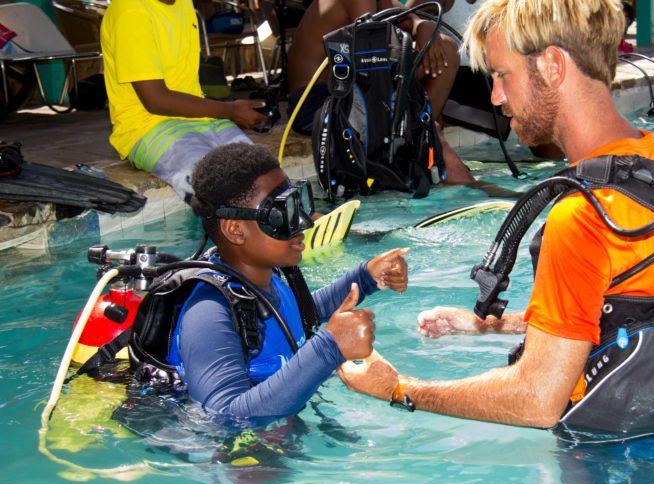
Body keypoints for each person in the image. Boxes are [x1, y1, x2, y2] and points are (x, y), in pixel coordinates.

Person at [337, 0, 654, 435]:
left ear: (553, 66)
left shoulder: (583, 217)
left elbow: (536, 400)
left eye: (503, 75)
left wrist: (399, 388)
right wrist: (491, 327)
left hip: (607, 481)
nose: (496, 97)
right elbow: (636, 312)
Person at [170, 141, 409, 420]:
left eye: (299, 204)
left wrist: (365, 277)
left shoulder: (265, 278)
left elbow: (300, 311)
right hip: (240, 457)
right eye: (281, 213)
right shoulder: (208, 314)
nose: (304, 223)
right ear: (235, 230)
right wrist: (329, 347)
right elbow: (223, 416)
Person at [286, 0, 474, 184]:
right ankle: (415, 140)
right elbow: (372, 60)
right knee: (429, 127)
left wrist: (422, 24)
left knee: (446, 50)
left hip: (354, 88)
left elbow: (402, 17)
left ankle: (413, 138)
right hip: (316, 103)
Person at [100, 0, 267, 202]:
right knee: (216, 185)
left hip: (200, 119)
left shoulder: (184, 3)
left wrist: (228, 110)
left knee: (266, 174)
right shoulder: (130, 10)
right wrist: (230, 110)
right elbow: (156, 100)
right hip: (145, 127)